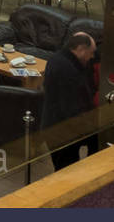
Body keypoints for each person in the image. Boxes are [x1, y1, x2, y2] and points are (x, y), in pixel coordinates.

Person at [42, 32, 99, 171]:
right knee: (66, 171)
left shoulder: (57, 59)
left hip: (54, 127)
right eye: (91, 53)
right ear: (80, 49)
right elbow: (71, 108)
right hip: (62, 132)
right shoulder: (68, 71)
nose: (92, 57)